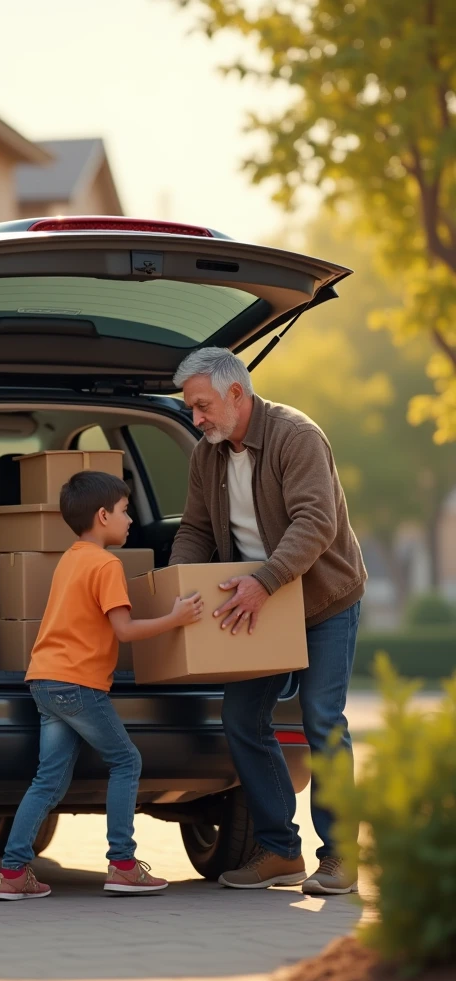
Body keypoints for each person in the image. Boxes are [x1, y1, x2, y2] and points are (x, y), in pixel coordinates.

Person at [170, 347, 366, 895]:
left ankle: (341, 859)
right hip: (258, 601)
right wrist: (177, 583)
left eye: (203, 405)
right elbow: (196, 529)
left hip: (323, 598)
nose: (197, 418)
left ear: (238, 394)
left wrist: (265, 581)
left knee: (322, 719)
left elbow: (315, 521)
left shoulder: (296, 435)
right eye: (191, 408)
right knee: (242, 718)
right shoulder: (206, 454)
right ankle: (280, 850)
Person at [0, 470, 204, 900]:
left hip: (45, 681)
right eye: (125, 512)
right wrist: (175, 619)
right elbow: (123, 630)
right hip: (77, 684)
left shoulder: (70, 558)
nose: (130, 520)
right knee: (126, 761)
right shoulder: (107, 564)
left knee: (48, 782)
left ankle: (13, 872)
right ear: (103, 515)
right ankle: (123, 864)